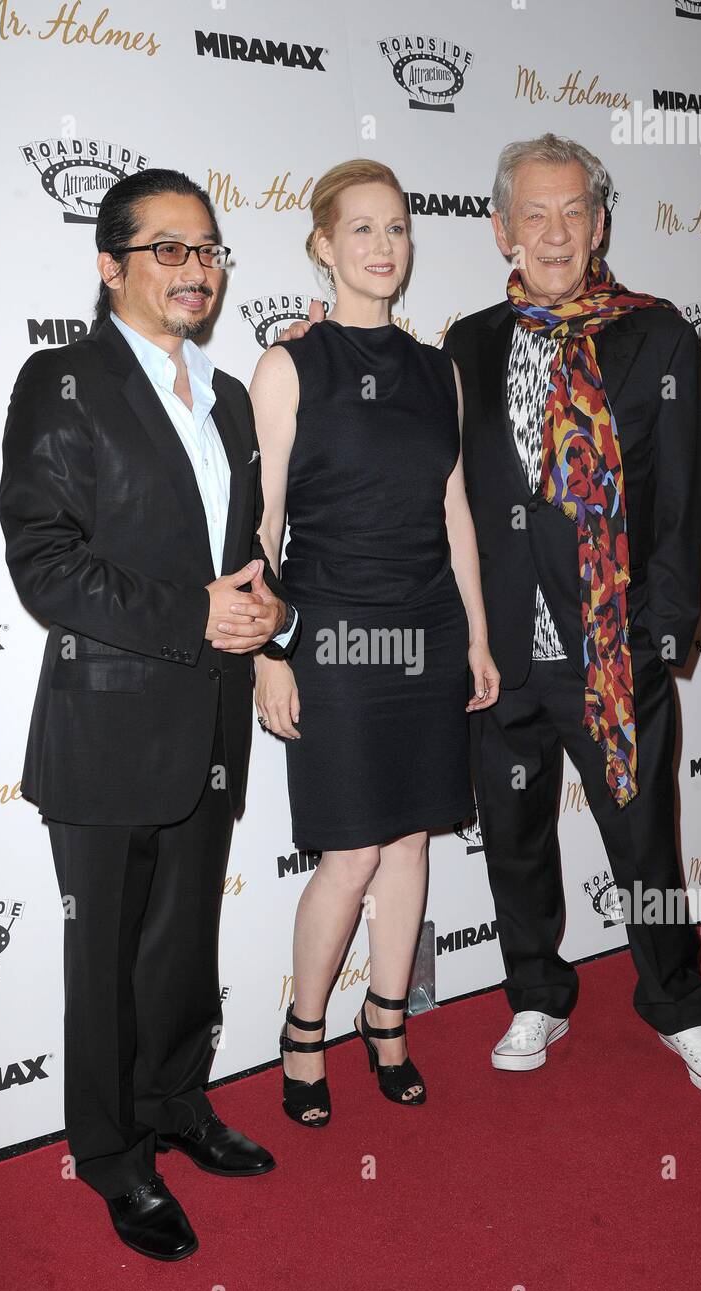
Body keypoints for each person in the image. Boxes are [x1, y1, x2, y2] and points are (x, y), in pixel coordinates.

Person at [0, 168, 300, 1262]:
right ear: (109, 263)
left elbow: (246, 560)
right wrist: (194, 616)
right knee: (106, 965)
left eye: (208, 249)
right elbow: (44, 563)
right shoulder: (61, 382)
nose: (196, 269)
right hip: (106, 733)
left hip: (209, 725)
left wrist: (270, 608)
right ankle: (114, 1156)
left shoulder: (222, 398)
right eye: (167, 249)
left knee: (180, 948)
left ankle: (176, 1104)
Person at [442, 133, 701, 1094]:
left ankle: (677, 1005)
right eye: (534, 213)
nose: (557, 231)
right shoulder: (469, 344)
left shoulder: (656, 335)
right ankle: (536, 992)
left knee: (644, 842)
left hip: (613, 654)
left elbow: (683, 502)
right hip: (505, 660)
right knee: (516, 837)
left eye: (575, 210)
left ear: (601, 222)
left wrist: (661, 637)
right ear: (501, 231)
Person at [248, 159, 499, 1126]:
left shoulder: (437, 370)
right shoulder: (290, 364)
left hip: (430, 628)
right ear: (323, 245)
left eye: (396, 228)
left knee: (410, 842)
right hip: (334, 633)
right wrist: (269, 650)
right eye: (361, 229)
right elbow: (261, 523)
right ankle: (302, 1030)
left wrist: (476, 636)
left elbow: (457, 513)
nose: (383, 245)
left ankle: (386, 1021)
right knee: (350, 852)